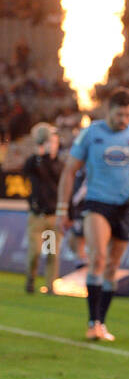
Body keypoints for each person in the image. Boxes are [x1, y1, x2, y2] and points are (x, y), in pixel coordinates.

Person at [57, 88, 129, 341]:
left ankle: (101, 322)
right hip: (96, 203)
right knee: (99, 258)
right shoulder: (91, 134)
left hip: (124, 207)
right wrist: (62, 208)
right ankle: (92, 322)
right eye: (119, 114)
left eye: (128, 115)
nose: (123, 119)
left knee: (113, 267)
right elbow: (69, 171)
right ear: (108, 110)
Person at [22, 123, 62, 294]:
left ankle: (51, 286)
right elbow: (27, 169)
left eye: (53, 142)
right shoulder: (35, 161)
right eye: (49, 141)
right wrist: (39, 154)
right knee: (35, 253)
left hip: (53, 216)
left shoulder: (59, 165)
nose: (52, 145)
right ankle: (30, 279)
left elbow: (55, 177)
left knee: (52, 254)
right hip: (37, 216)